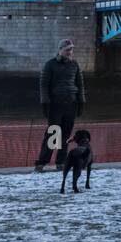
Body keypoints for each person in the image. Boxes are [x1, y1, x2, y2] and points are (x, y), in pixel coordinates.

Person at [35, 38, 86, 172]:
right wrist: (45, 102)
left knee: (65, 135)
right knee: (53, 133)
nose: (70, 52)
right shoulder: (50, 65)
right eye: (67, 50)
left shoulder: (75, 65)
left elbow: (80, 85)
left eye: (71, 49)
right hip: (55, 104)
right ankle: (42, 162)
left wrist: (81, 101)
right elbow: (44, 84)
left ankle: (61, 162)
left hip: (71, 104)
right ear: (60, 50)